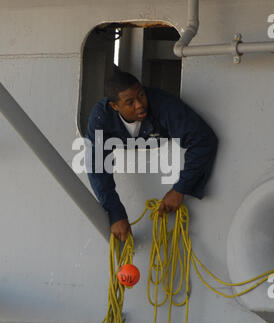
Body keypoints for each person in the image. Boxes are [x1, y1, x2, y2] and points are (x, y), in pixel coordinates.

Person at [85, 67, 218, 242]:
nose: (140, 104)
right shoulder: (101, 117)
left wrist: (181, 188)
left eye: (141, 95)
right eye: (130, 102)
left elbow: (203, 139)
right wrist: (115, 213)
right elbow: (98, 167)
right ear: (114, 106)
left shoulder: (163, 105)